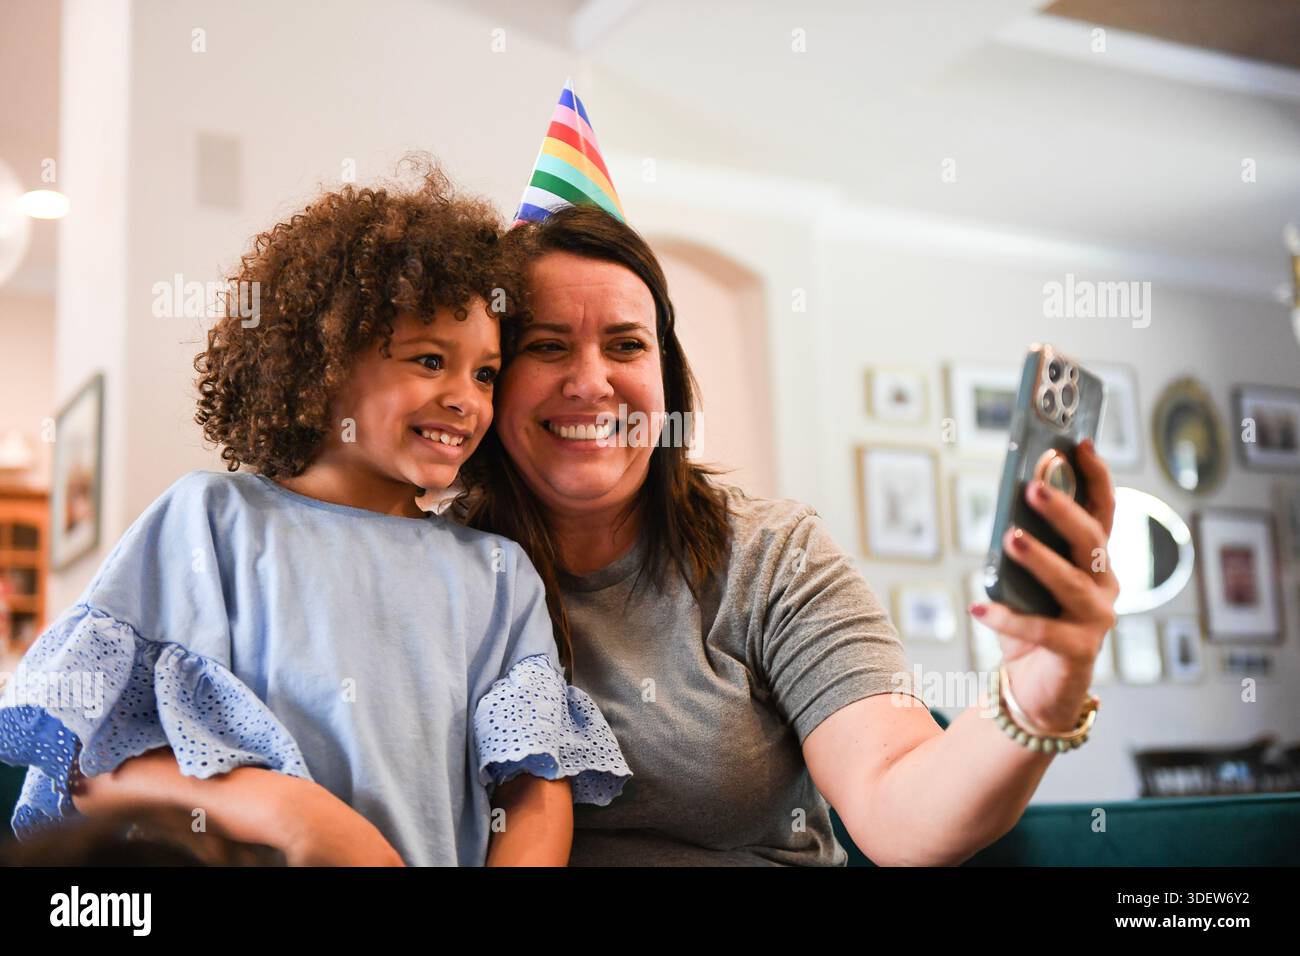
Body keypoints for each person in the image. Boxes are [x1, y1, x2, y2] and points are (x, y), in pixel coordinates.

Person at [0, 164, 631, 867]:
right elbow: (94, 762)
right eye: (430, 360)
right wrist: (297, 817)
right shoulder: (208, 522)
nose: (467, 399)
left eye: (485, 374)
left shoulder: (497, 573)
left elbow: (533, 785)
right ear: (322, 362)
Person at [456, 203, 1121, 865]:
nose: (590, 383)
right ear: (490, 377)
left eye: (627, 344)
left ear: (668, 375)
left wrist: (1032, 695)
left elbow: (897, 807)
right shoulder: (439, 572)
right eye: (546, 346)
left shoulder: (774, 555)